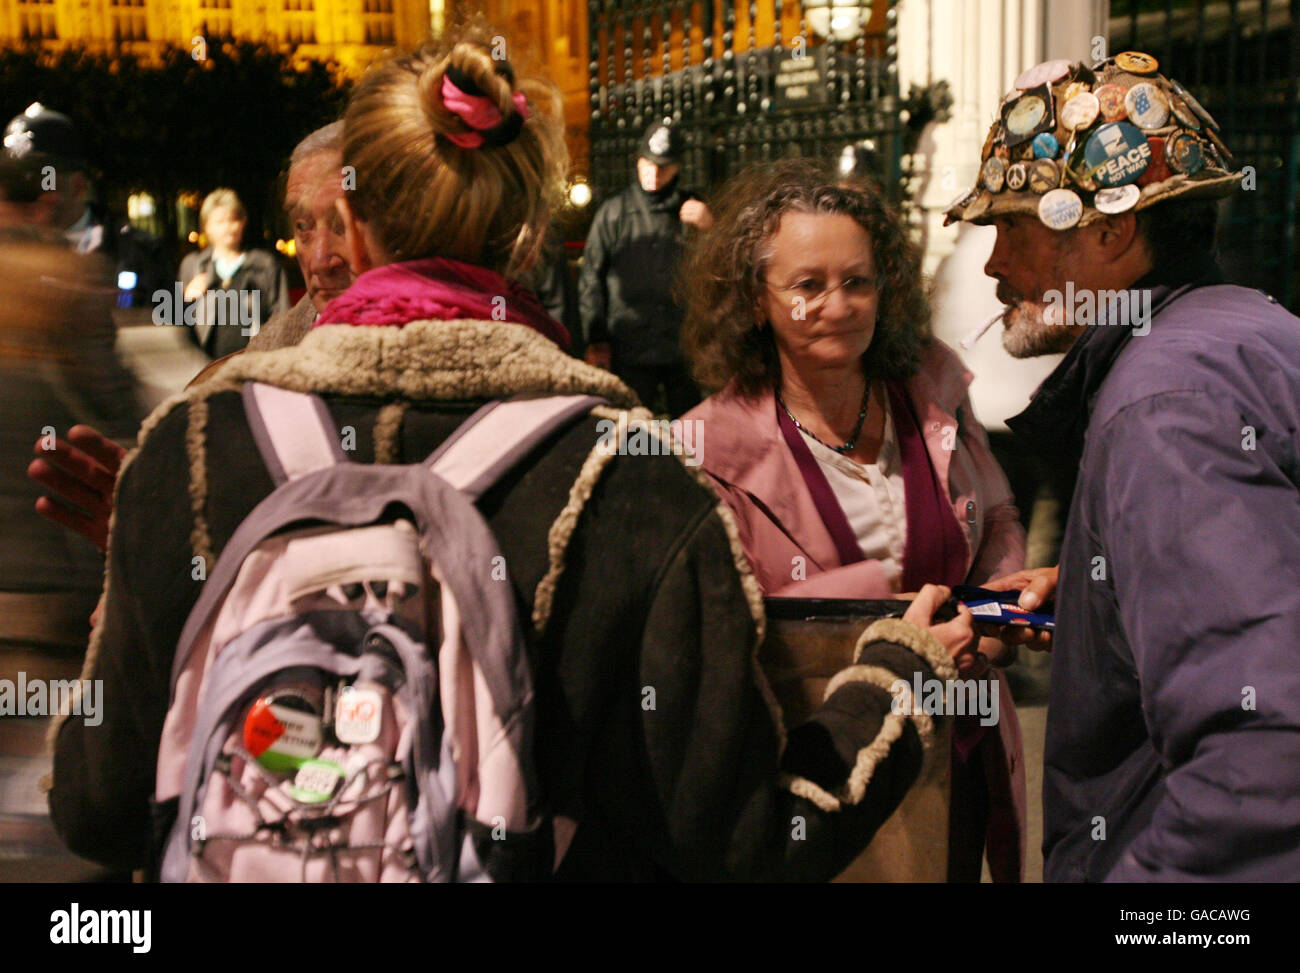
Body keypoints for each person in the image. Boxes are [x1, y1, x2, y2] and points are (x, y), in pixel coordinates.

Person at [47, 26, 986, 882]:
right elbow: (741, 845)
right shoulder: (634, 478)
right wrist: (894, 676)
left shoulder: (193, 450)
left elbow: (96, 806)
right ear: (528, 233)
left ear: (358, 223)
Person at [948, 54, 1300, 881]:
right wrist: (1107, 594)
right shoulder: (1243, 332)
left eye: (1015, 226)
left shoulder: (1165, 406)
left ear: (1112, 231)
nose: (995, 264)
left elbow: (1265, 759)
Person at [680, 159, 1028, 882]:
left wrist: (996, 621)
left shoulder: (931, 385)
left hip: (960, 747)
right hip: (831, 769)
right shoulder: (709, 448)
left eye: (857, 281)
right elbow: (730, 634)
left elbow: (995, 518)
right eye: (808, 285)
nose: (838, 304)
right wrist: (900, 640)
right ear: (754, 301)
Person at [29, 122, 357, 552]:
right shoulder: (229, 386)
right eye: (303, 225)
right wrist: (159, 535)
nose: (319, 259)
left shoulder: (262, 271)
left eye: (344, 223)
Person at [578, 120, 708, 416]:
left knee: (692, 436)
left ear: (676, 167)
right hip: (629, 345)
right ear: (638, 161)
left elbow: (720, 271)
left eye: (662, 166)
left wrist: (710, 228)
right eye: (647, 164)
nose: (653, 173)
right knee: (629, 433)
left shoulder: (695, 209)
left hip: (683, 347)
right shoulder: (614, 212)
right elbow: (591, 278)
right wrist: (596, 338)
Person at [178, 187, 289, 359]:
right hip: (204, 369)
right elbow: (178, 326)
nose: (227, 228)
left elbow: (281, 317)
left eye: (233, 220)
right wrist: (187, 299)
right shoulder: (193, 266)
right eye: (219, 222)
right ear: (206, 226)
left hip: (253, 365)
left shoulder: (264, 265)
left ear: (243, 222)